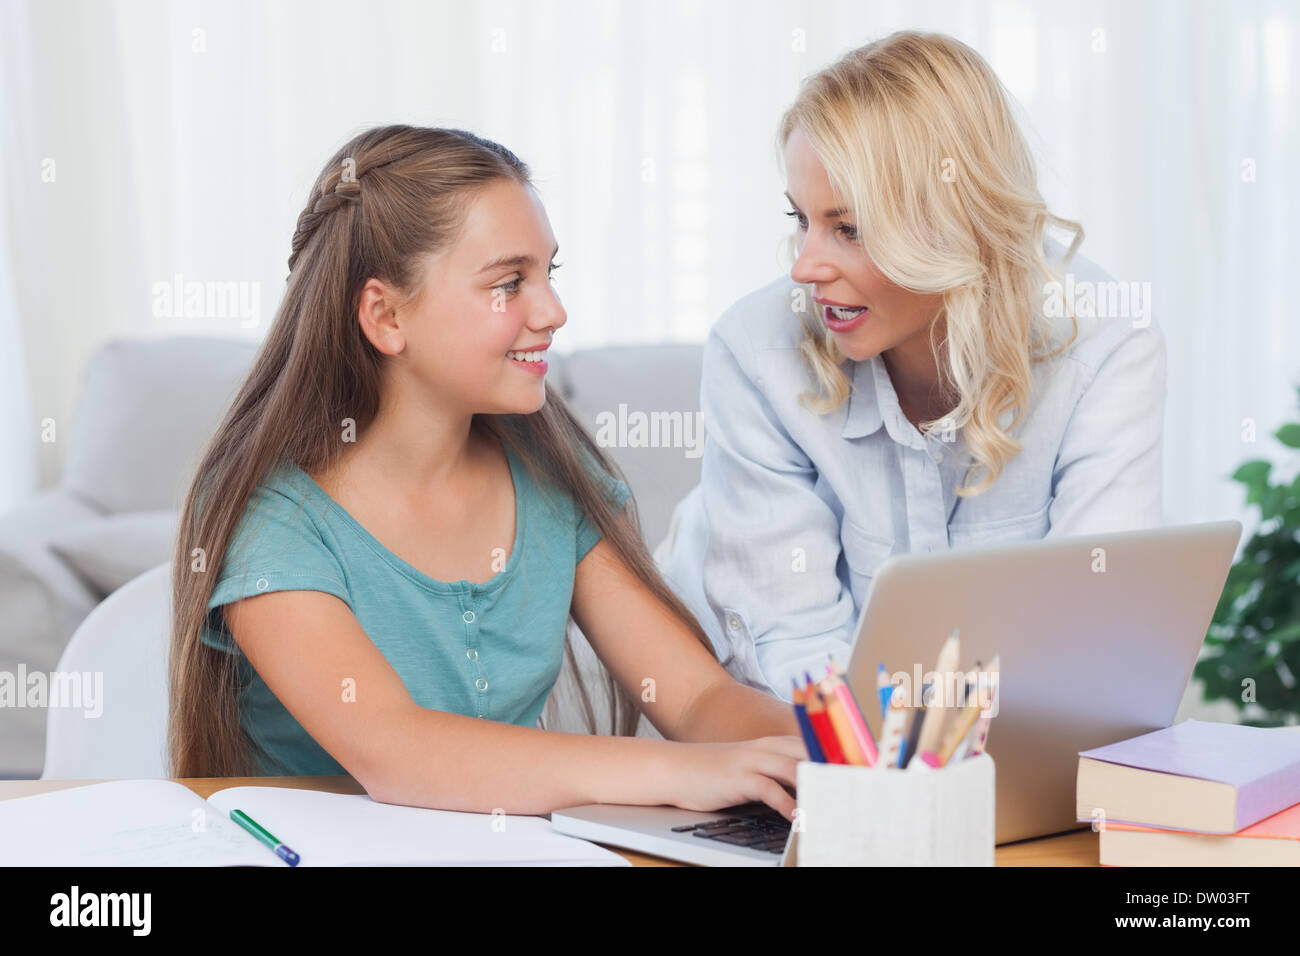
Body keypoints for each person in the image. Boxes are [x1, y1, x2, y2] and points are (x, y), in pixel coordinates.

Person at [169, 125, 805, 820]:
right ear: (385, 315)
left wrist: (843, 759)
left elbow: (695, 697)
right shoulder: (277, 515)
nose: (554, 312)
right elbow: (395, 749)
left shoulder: (551, 477)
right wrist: (686, 773)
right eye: (509, 283)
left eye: (547, 274)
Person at [657, 32, 1166, 698]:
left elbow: (1093, 632)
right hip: (776, 725)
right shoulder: (756, 353)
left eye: (850, 228)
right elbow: (800, 653)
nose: (804, 266)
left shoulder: (1104, 344)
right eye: (802, 219)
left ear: (956, 222)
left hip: (970, 755)